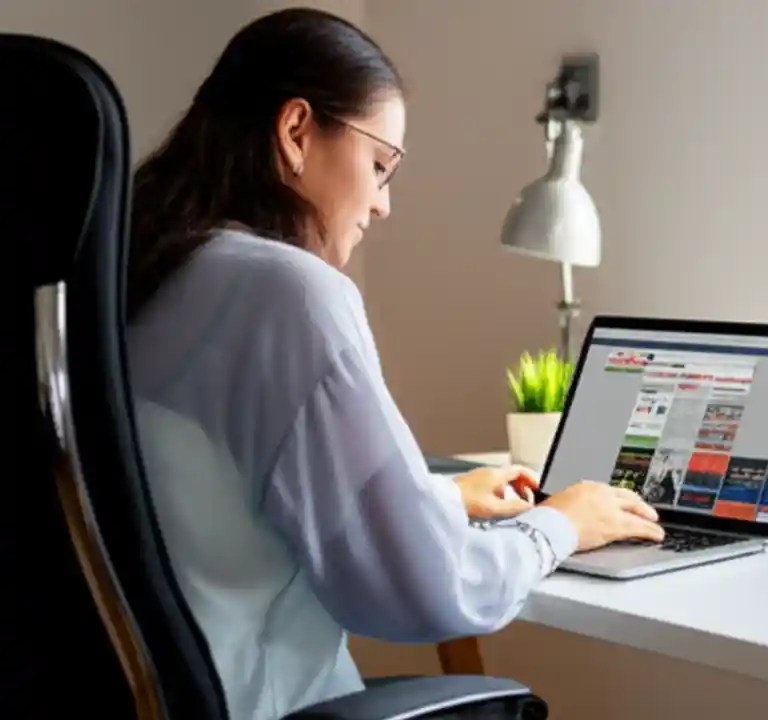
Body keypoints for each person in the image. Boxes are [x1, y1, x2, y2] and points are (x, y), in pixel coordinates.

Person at [123, 9, 664, 720]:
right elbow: (426, 591)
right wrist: (564, 523)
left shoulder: (142, 271)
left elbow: (222, 502)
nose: (382, 204)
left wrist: (436, 499)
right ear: (296, 132)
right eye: (380, 166)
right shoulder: (288, 293)